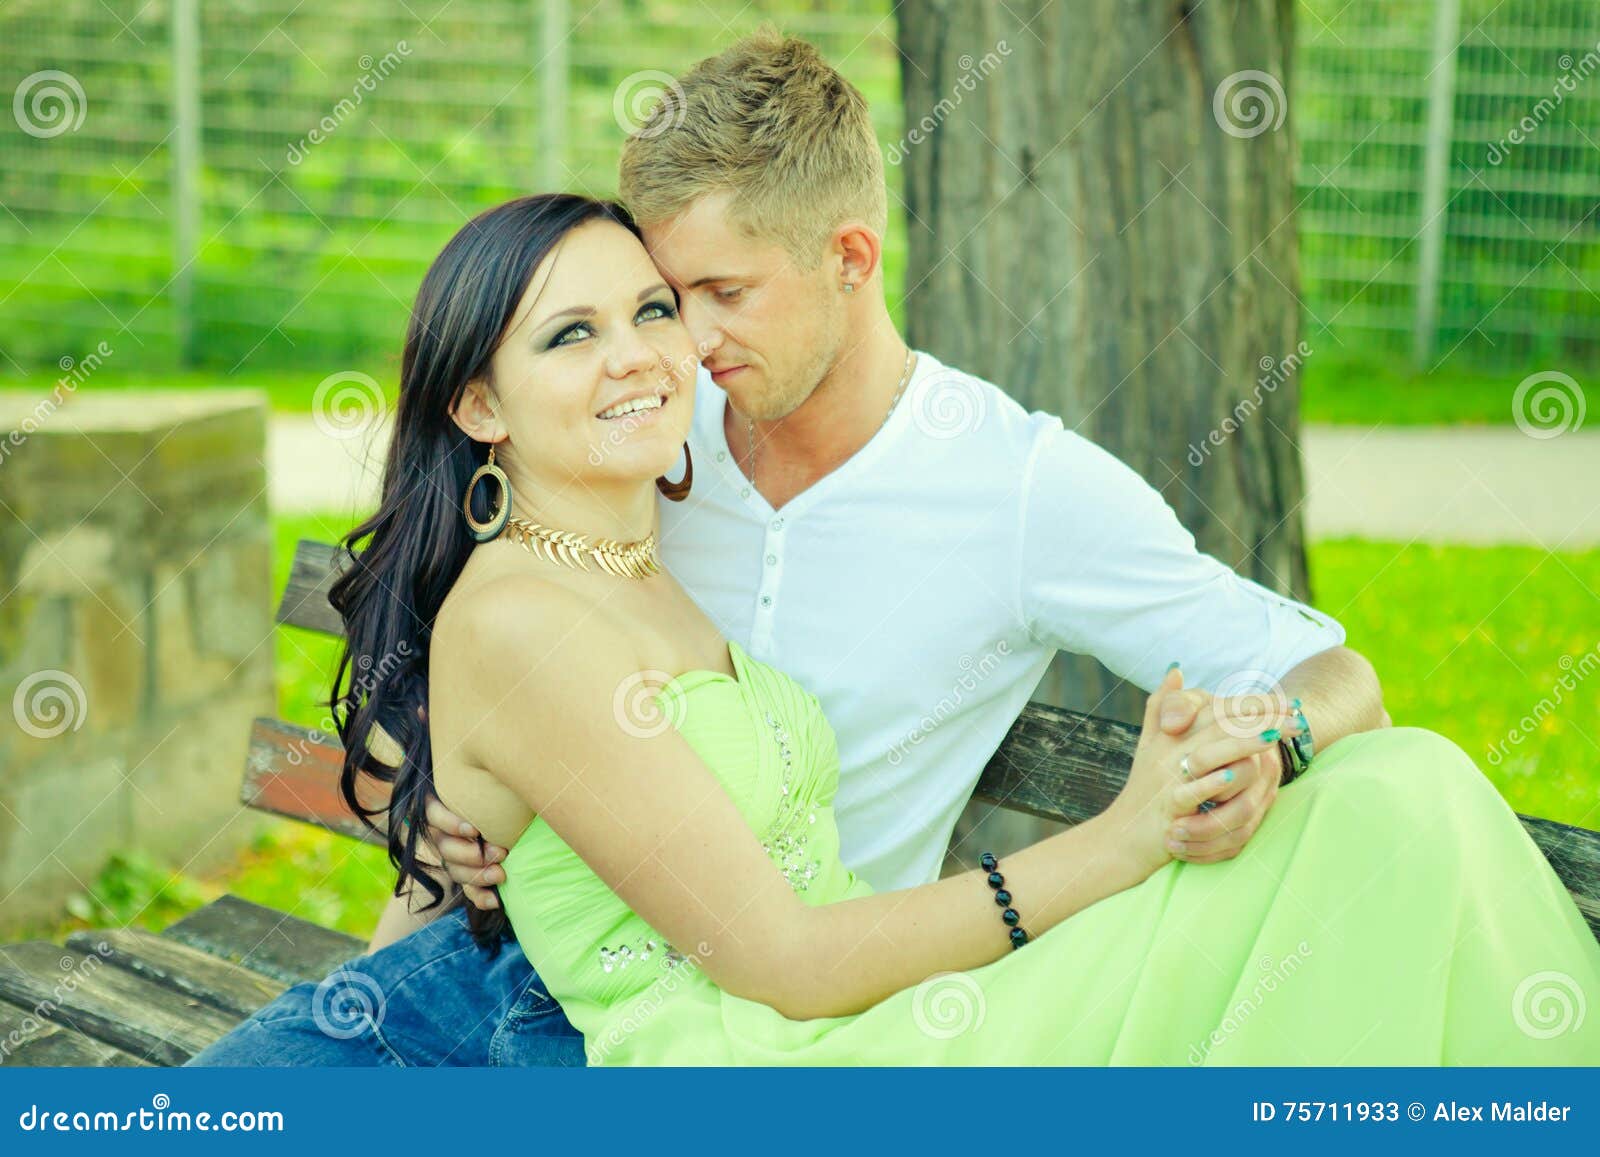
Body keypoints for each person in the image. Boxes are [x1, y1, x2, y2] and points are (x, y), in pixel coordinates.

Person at [187, 34, 1599, 1067]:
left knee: (1403, 797)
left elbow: (1331, 671)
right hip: (579, 992)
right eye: (666, 298)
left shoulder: (1019, 485)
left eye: (713, 298)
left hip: (882, 989)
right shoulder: (651, 454)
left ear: (852, 259)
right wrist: (424, 788)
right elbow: (469, 620)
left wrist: (1265, 744)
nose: (681, 346)